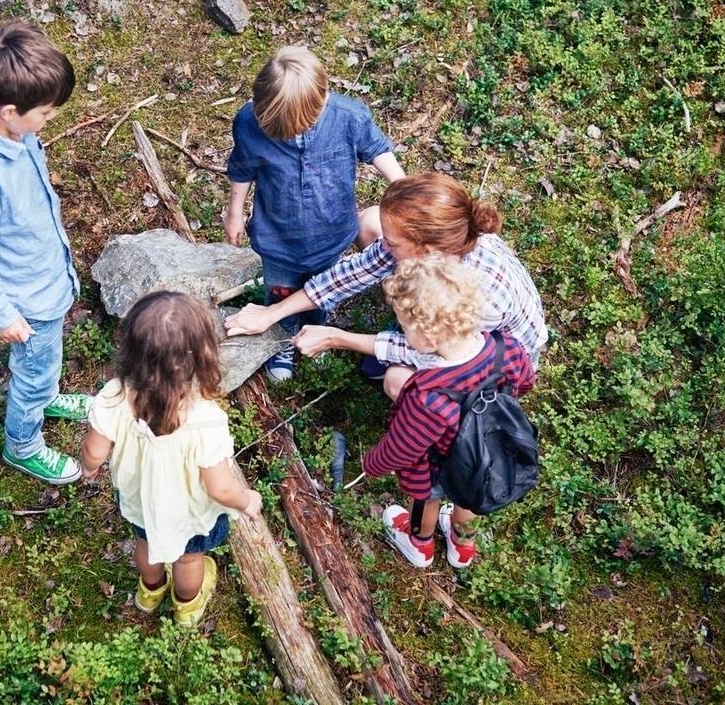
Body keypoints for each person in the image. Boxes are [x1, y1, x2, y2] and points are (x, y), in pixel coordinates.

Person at [225, 173, 547, 394]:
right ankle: (408, 319)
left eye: (393, 242)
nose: (384, 246)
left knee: (395, 380)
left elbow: (433, 352)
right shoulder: (438, 245)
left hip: (487, 362)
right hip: (442, 322)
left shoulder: (481, 297)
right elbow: (348, 275)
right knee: (367, 223)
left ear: (427, 250)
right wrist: (273, 313)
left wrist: (339, 338)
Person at [0, 20, 91, 485]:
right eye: (45, 114)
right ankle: (23, 444)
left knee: (45, 361)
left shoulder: (18, 136)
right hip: (27, 301)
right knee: (31, 371)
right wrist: (2, 315)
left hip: (46, 278)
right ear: (9, 110)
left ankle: (47, 394)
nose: (47, 122)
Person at [79, 291, 263, 626]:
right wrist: (246, 500)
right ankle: (187, 606)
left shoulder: (113, 395)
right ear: (201, 356)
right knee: (189, 558)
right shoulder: (206, 419)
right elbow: (220, 488)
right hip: (188, 513)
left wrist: (89, 468)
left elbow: (94, 451)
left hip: (138, 500)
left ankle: (150, 591)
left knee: (146, 544)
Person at [223, 45, 405, 382]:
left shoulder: (349, 117)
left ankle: (315, 330)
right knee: (280, 291)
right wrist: (235, 212)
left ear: (320, 101)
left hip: (332, 233)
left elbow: (378, 150)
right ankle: (283, 339)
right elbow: (242, 168)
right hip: (277, 237)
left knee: (323, 287)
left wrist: (405, 187)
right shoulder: (249, 123)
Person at [362, 255, 535, 568]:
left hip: (440, 464)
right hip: (488, 454)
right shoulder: (506, 347)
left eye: (404, 326)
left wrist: (373, 464)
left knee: (427, 497)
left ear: (427, 338)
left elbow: (403, 447)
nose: (402, 332)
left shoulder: (428, 395)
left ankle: (420, 544)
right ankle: (463, 546)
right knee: (470, 494)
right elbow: (524, 382)